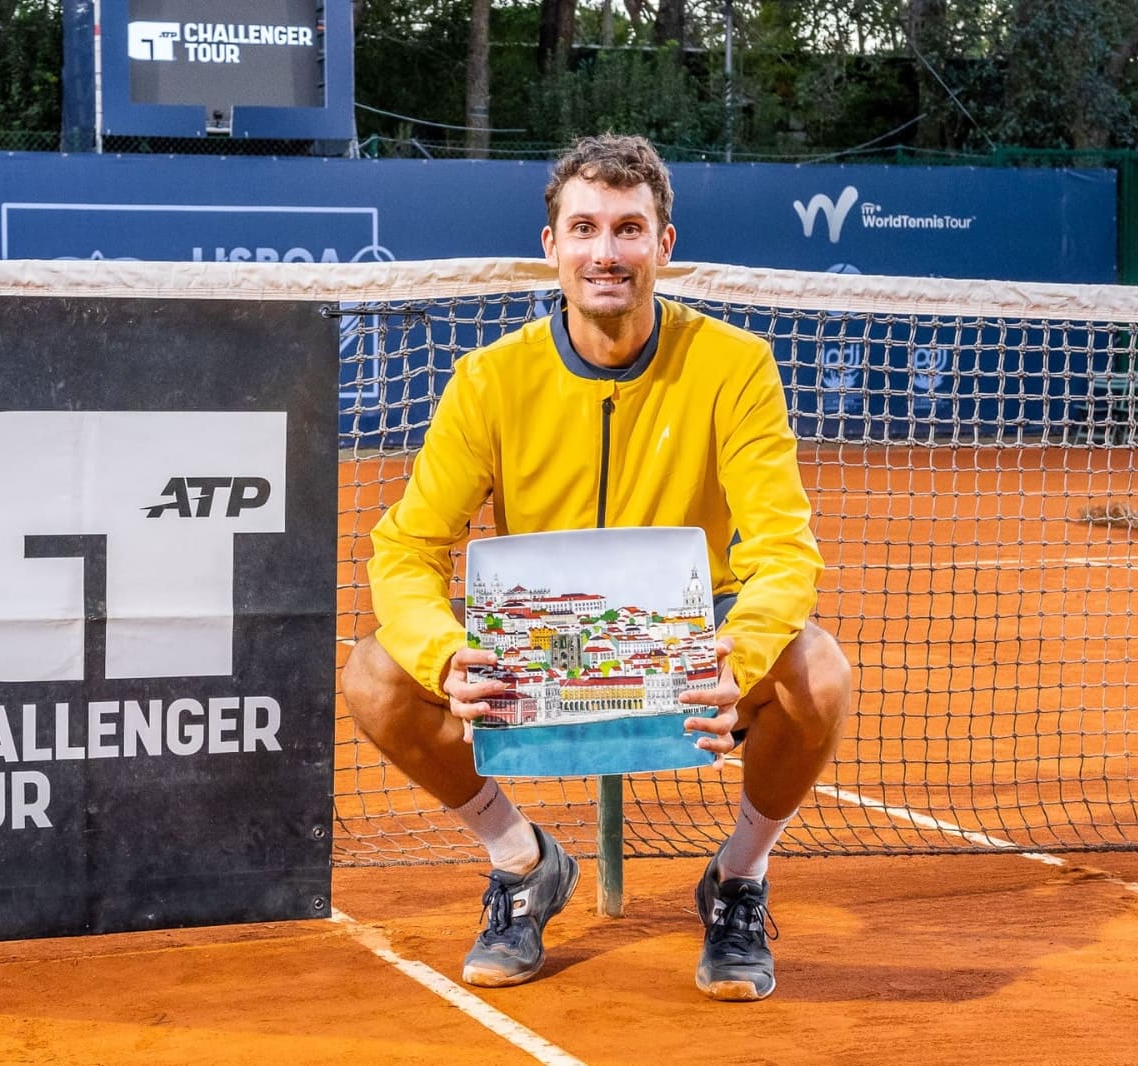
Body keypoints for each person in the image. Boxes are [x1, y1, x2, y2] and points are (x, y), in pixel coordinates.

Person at [341, 133, 853, 1002]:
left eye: (627, 229)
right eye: (584, 228)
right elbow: (408, 546)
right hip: (541, 647)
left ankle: (738, 879)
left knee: (821, 671)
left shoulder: (736, 368)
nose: (605, 252)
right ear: (552, 246)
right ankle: (522, 862)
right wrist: (442, 654)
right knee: (375, 676)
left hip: (691, 643)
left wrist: (742, 652)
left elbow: (783, 548)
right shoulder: (488, 381)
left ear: (663, 243)